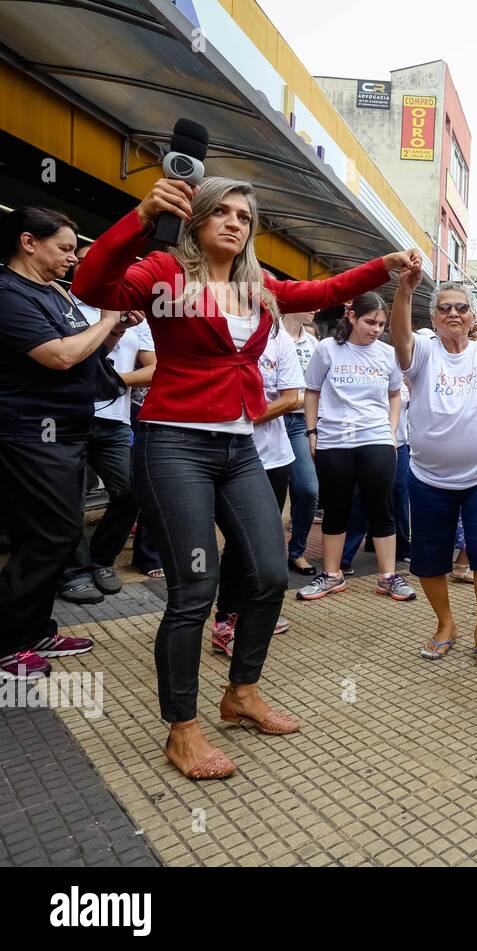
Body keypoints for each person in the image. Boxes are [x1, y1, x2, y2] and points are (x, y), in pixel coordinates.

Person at [72, 175, 419, 780]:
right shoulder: (163, 273)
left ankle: (241, 693)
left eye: (245, 215)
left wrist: (381, 266)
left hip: (239, 447)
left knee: (265, 572)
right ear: (197, 220)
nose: (236, 222)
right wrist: (140, 214)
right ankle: (182, 729)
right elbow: (91, 281)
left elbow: (325, 287)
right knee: (194, 592)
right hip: (173, 442)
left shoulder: (258, 289)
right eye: (223, 212)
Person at [392, 272, 477, 670]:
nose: (453, 313)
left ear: (473, 317)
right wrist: (404, 291)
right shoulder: (421, 352)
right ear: (433, 318)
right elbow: (399, 335)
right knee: (429, 560)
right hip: (429, 479)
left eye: (461, 308)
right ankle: (445, 623)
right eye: (444, 308)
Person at [0, 208, 106, 680]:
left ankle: (34, 630)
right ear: (28, 242)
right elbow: (60, 356)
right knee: (54, 533)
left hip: (67, 432)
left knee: (43, 533)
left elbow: (84, 347)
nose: (72, 257)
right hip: (30, 434)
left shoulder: (54, 292)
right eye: (64, 248)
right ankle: (7, 642)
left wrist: (113, 329)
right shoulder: (8, 292)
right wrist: (109, 319)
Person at [296, 292, 414, 602]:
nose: (376, 329)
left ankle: (388, 576)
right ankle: (332, 574)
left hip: (375, 438)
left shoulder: (387, 354)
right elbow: (312, 391)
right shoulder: (327, 349)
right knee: (336, 507)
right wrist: (312, 431)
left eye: (381, 324)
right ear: (352, 317)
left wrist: (389, 432)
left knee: (381, 507)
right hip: (334, 439)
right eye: (370, 322)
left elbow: (394, 395)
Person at [58, 244, 156, 605]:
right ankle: (74, 571)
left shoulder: (131, 314)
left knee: (130, 492)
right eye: (83, 262)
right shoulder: (62, 306)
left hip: (114, 421)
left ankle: (101, 559)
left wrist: (113, 382)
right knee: (69, 499)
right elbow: (68, 360)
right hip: (67, 418)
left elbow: (154, 369)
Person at [210, 319, 305, 653]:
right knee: (239, 541)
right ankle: (225, 620)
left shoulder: (279, 338)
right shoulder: (213, 328)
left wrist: (243, 417)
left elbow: (292, 397)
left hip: (274, 457)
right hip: (223, 455)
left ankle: (253, 611)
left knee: (266, 538)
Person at [340, 375, 412, 575]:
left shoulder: (405, 374)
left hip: (400, 444)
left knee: (400, 495)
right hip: (370, 443)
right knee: (363, 498)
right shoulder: (370, 373)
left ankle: (403, 548)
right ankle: (345, 556)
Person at [280, 311, 320, 577]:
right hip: (267, 420)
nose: (316, 307)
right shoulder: (270, 334)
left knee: (307, 489)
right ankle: (247, 549)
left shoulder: (314, 345)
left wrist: (314, 427)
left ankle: (296, 551)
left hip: (299, 424)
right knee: (265, 495)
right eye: (310, 302)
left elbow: (318, 387)